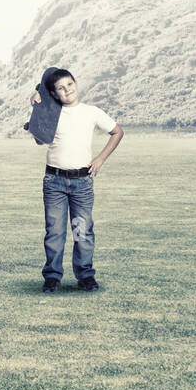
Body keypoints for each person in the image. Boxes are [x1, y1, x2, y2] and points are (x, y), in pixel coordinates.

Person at [29, 67, 123, 293]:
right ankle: (52, 277)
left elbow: (117, 132)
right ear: (54, 94)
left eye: (69, 85)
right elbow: (39, 141)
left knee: (82, 230)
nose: (67, 90)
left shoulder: (91, 112)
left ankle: (85, 275)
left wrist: (100, 159)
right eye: (60, 88)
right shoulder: (52, 113)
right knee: (55, 231)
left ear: (76, 84)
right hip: (55, 181)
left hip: (82, 182)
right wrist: (36, 108)